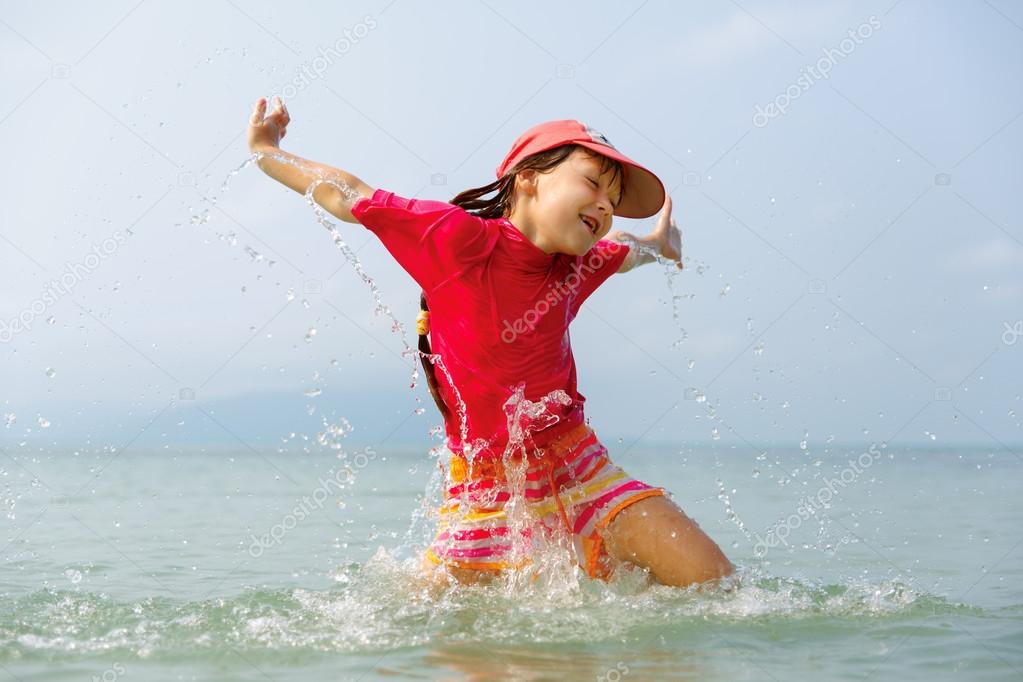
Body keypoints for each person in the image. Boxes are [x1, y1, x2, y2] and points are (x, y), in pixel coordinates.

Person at [246, 96, 733, 588]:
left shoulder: (578, 265)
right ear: (528, 177)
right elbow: (350, 193)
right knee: (470, 645)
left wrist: (658, 245)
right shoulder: (457, 240)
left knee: (714, 581)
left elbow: (623, 251)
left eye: (613, 199)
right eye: (592, 183)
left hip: (581, 468)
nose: (606, 206)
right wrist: (268, 152)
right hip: (486, 492)